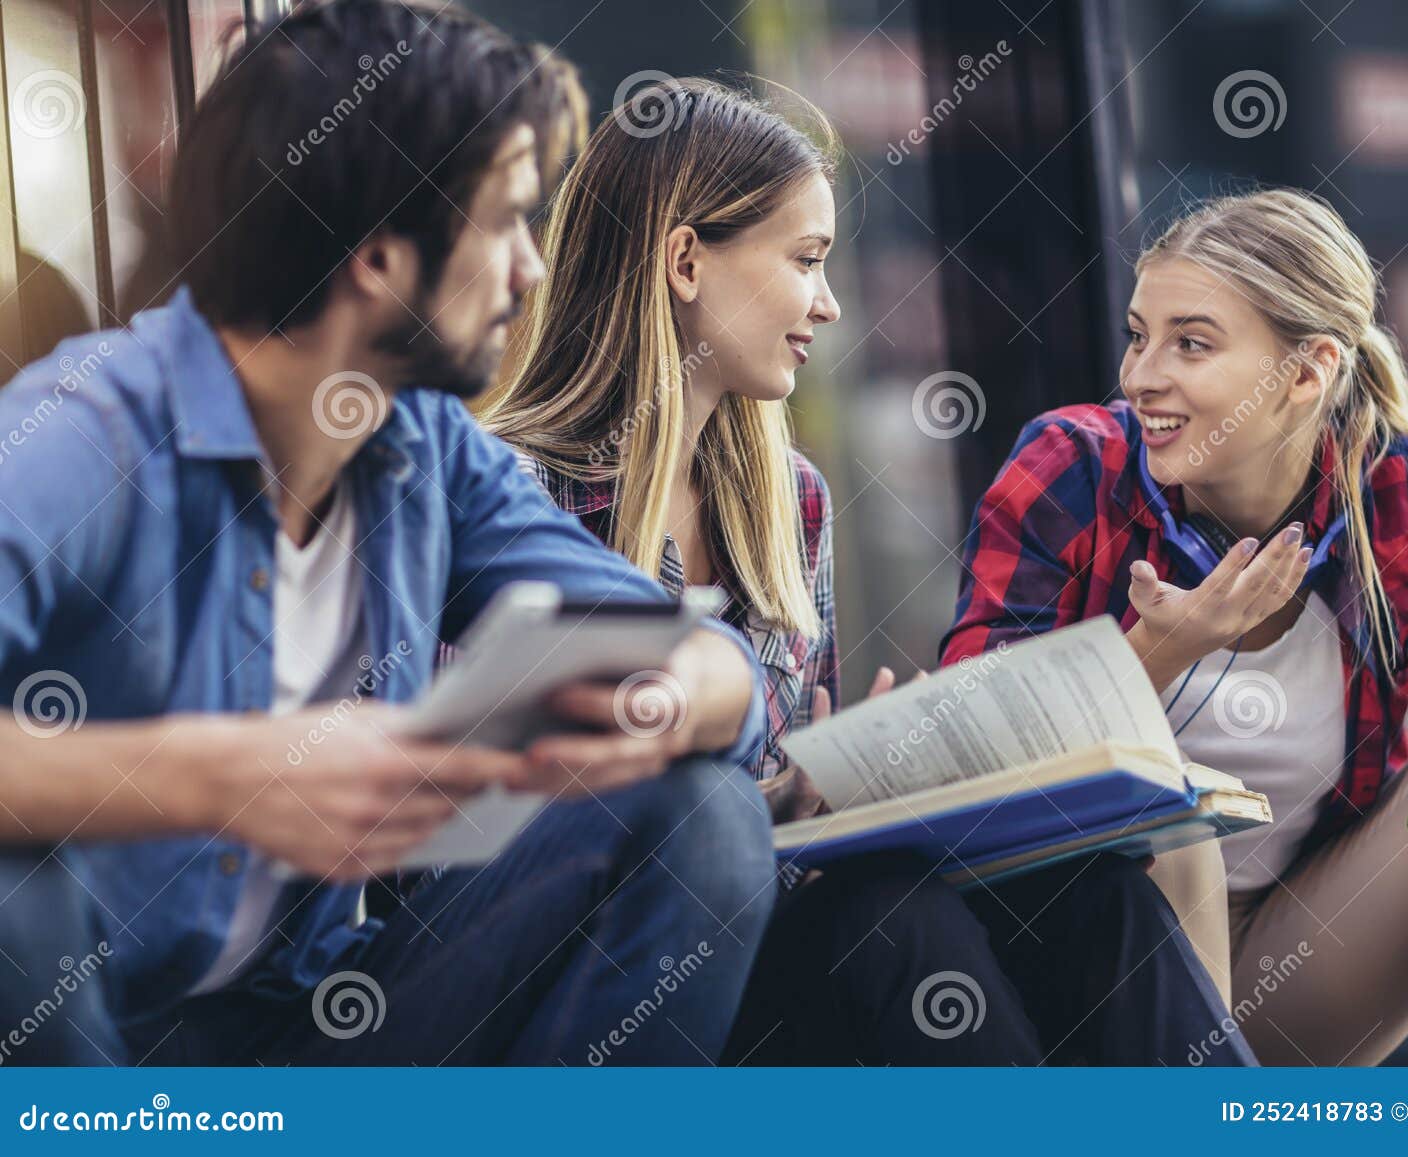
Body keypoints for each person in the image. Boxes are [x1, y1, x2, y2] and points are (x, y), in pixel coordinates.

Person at [0, 0, 776, 1067]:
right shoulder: (87, 435)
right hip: (99, 1049)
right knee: (16, 888)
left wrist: (661, 697)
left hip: (323, 1027)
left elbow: (704, 657)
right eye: (504, 221)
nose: (531, 270)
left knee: (703, 816)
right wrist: (233, 776)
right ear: (379, 259)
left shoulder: (422, 448)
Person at [484, 77, 1253, 1066]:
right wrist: (716, 811)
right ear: (684, 260)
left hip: (781, 932)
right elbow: (478, 830)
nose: (830, 300)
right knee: (892, 919)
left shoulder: (787, 501)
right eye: (805, 260)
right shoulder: (510, 491)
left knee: (1101, 897)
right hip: (632, 984)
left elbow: (805, 803)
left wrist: (860, 777)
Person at [943, 187, 1408, 1066]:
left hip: (1300, 955)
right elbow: (966, 755)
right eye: (1140, 335)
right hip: (1092, 979)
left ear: (1305, 372)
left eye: (1192, 343)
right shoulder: (1071, 469)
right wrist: (1162, 650)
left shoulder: (1399, 490)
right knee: (1175, 822)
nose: (1141, 374)